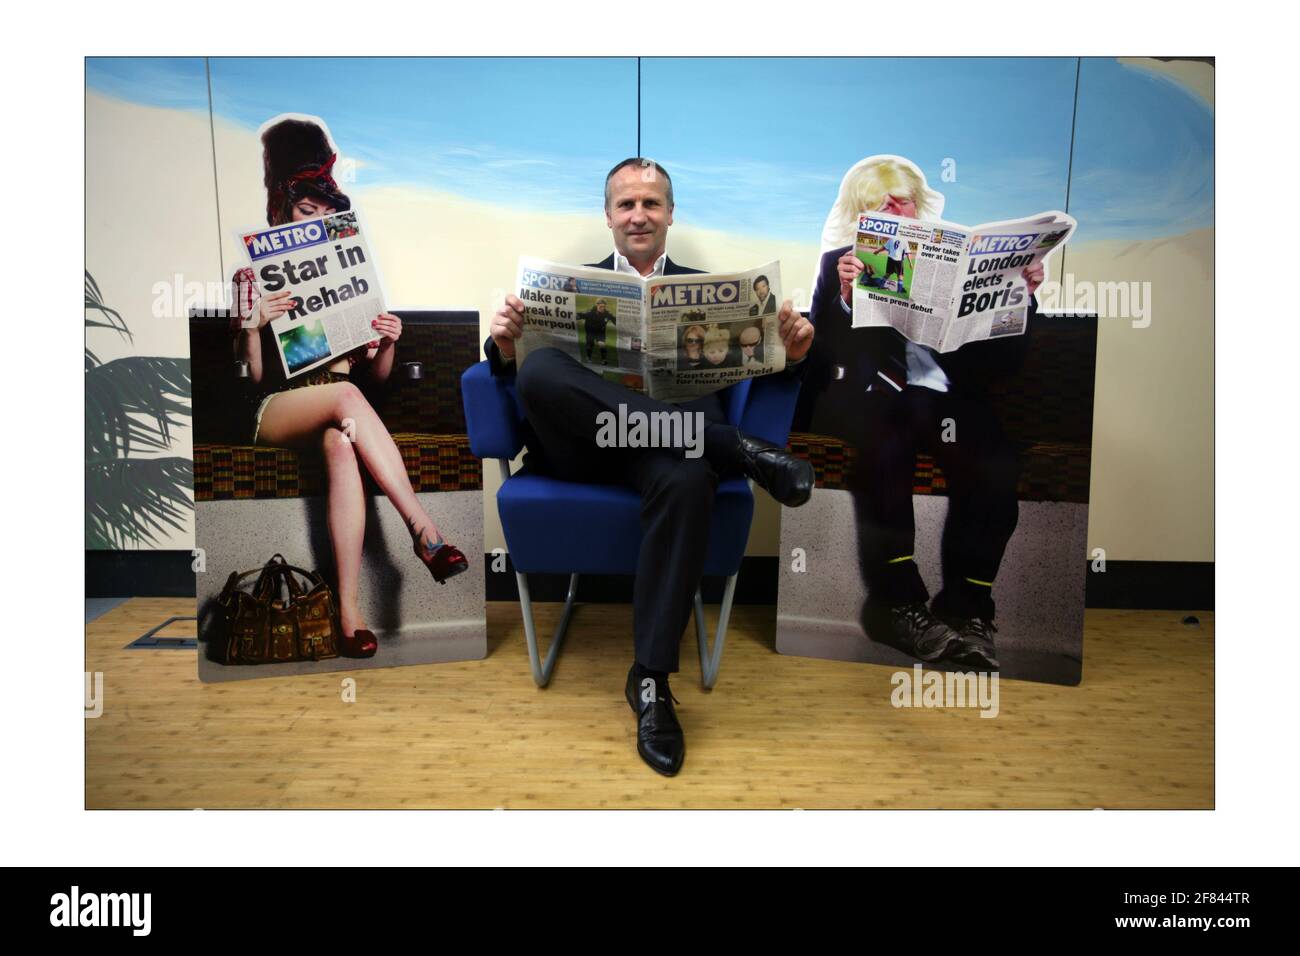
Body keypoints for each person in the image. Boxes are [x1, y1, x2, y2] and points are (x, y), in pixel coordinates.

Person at [486, 157, 815, 776]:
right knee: (540, 370)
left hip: (669, 458)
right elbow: (518, 379)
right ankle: (730, 446)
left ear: (670, 214)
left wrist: (793, 354)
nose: (639, 214)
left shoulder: (714, 290)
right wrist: (506, 344)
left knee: (689, 475)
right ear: (608, 216)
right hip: (585, 449)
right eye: (626, 204)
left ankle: (652, 682)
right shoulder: (560, 288)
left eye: (651, 203)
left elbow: (766, 365)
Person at [232, 117, 468, 659]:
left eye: (324, 214)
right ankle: (424, 529)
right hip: (276, 408)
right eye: (304, 212)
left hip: (341, 406)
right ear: (285, 214)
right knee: (344, 402)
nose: (314, 221)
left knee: (343, 440)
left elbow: (374, 384)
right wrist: (252, 327)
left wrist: (386, 343)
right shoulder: (254, 276)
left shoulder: (347, 276)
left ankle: (348, 616)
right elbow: (252, 381)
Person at [801, 155, 1044, 671]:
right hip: (882, 398)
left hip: (952, 399)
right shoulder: (839, 262)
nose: (896, 207)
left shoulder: (962, 263)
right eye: (881, 202)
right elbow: (824, 359)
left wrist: (1021, 298)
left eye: (903, 199)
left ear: (919, 205)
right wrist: (844, 299)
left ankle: (969, 608)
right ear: (861, 213)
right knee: (884, 452)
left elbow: (1007, 366)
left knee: (998, 464)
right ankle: (896, 604)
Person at [581, 298, 615, 365]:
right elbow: (580, 315)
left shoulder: (607, 314)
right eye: (601, 306)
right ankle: (588, 358)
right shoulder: (590, 313)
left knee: (602, 345)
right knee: (590, 344)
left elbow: (616, 321)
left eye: (604, 307)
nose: (602, 308)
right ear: (597, 305)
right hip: (591, 331)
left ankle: (604, 360)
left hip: (600, 332)